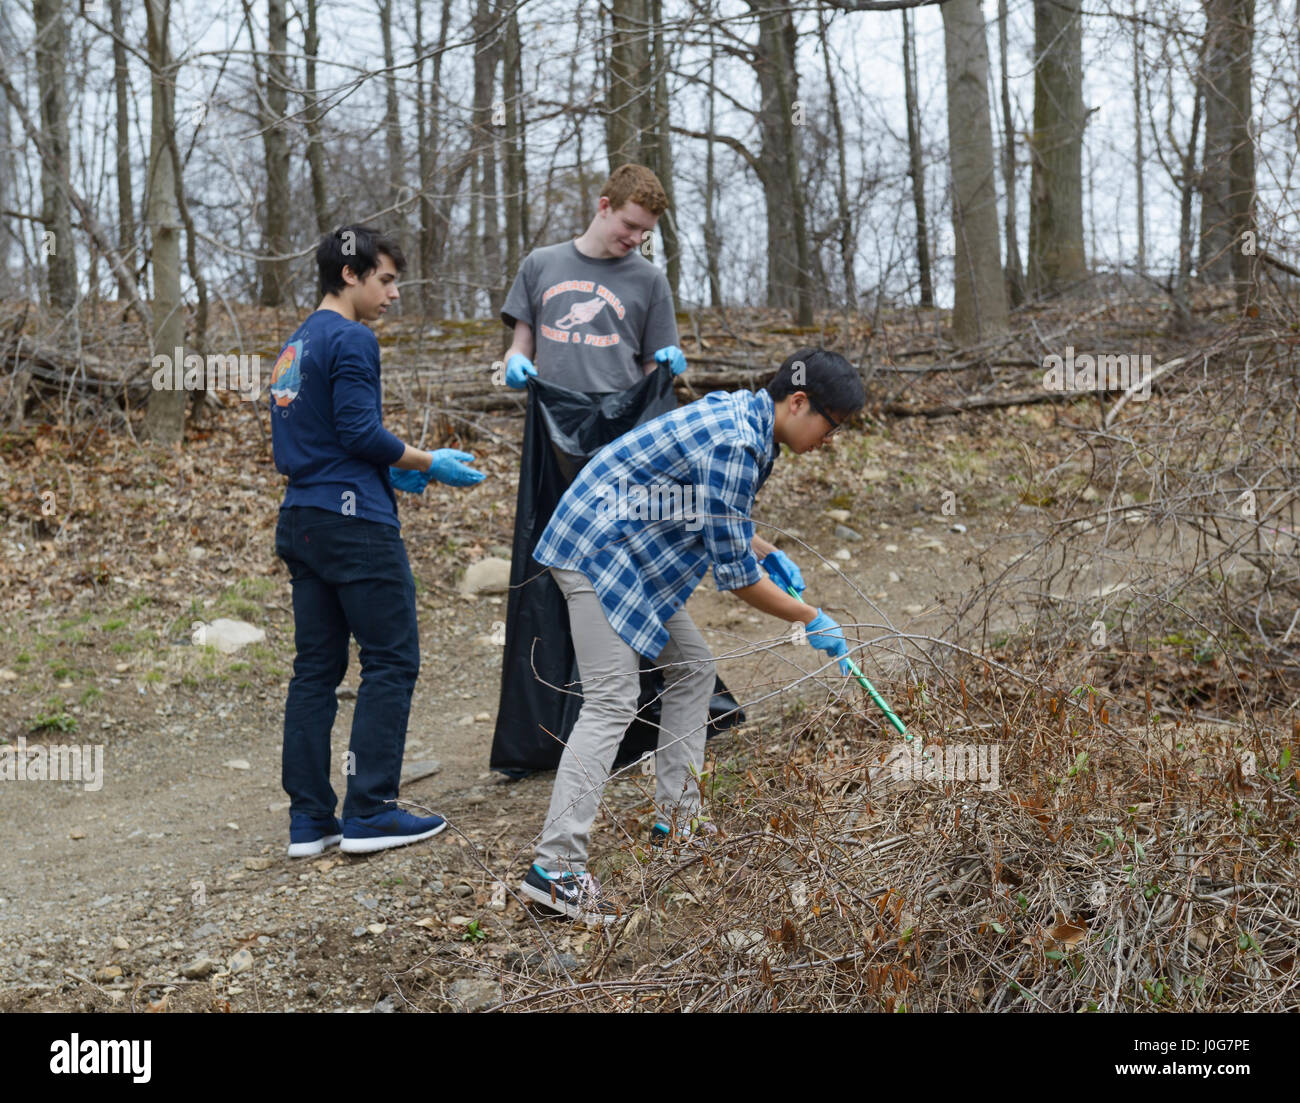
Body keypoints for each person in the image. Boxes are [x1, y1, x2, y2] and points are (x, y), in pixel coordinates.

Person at [520, 348, 866, 924]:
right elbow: (735, 580)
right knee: (612, 698)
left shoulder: (746, 422)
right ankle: (555, 871)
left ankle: (677, 825)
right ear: (799, 402)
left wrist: (766, 548)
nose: (830, 440)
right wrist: (809, 616)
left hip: (627, 551)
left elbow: (711, 512)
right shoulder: (736, 441)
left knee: (693, 670)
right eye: (832, 426)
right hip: (599, 549)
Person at [269, 224, 486, 859]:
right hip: (355, 523)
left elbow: (322, 434)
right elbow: (361, 430)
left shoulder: (295, 345)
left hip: (302, 519)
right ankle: (369, 810)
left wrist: (383, 467)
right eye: (386, 280)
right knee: (391, 660)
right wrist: (424, 460)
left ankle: (310, 821)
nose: (394, 295)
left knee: (315, 670)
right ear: (350, 275)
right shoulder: (352, 338)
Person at [498, 163, 688, 393]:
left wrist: (667, 371)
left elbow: (654, 373)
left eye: (646, 232)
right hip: (553, 415)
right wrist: (514, 363)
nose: (637, 238)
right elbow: (518, 349)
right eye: (629, 225)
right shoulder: (540, 264)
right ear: (604, 206)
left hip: (624, 418)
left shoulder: (651, 281)